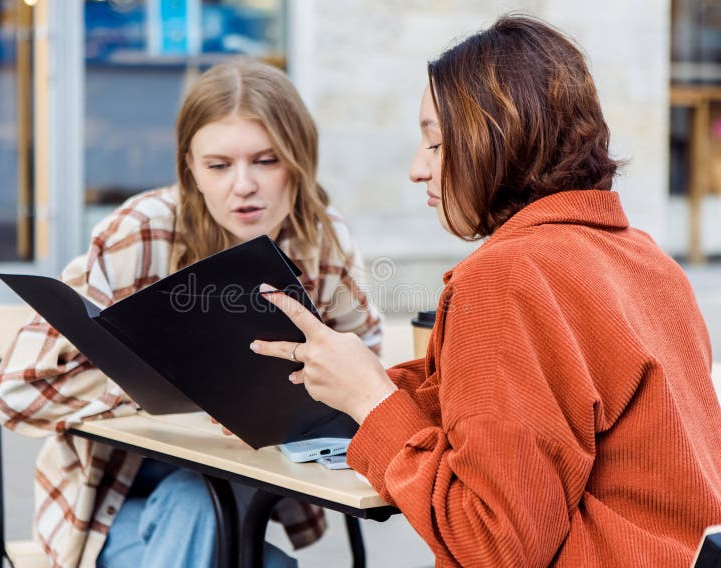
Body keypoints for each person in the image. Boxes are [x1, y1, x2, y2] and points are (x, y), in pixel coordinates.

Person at [251, 15, 721, 566]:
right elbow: (498, 410)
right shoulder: (646, 259)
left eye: (435, 142)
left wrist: (370, 401)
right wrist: (331, 388)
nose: (416, 169)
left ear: (497, 142)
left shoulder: (506, 278)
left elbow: (494, 544)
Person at [0, 58, 382, 568]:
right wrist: (157, 389)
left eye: (266, 160)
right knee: (226, 527)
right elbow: (13, 394)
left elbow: (366, 372)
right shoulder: (141, 231)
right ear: (190, 168)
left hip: (248, 478)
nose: (243, 186)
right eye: (218, 166)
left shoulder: (322, 239)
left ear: (300, 160)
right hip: (111, 505)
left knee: (205, 501)